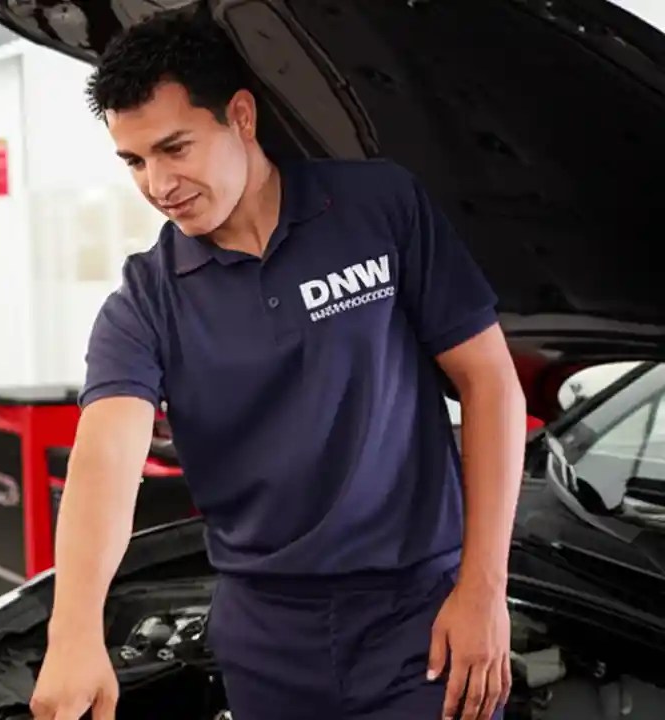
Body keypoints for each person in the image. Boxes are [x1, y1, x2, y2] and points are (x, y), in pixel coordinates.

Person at [29, 14, 526, 720]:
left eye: (175, 148)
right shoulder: (147, 300)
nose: (158, 184)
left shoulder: (380, 208)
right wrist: (74, 631)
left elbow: (490, 383)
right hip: (265, 635)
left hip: (422, 615)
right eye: (134, 161)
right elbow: (105, 457)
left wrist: (483, 588)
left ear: (241, 116)